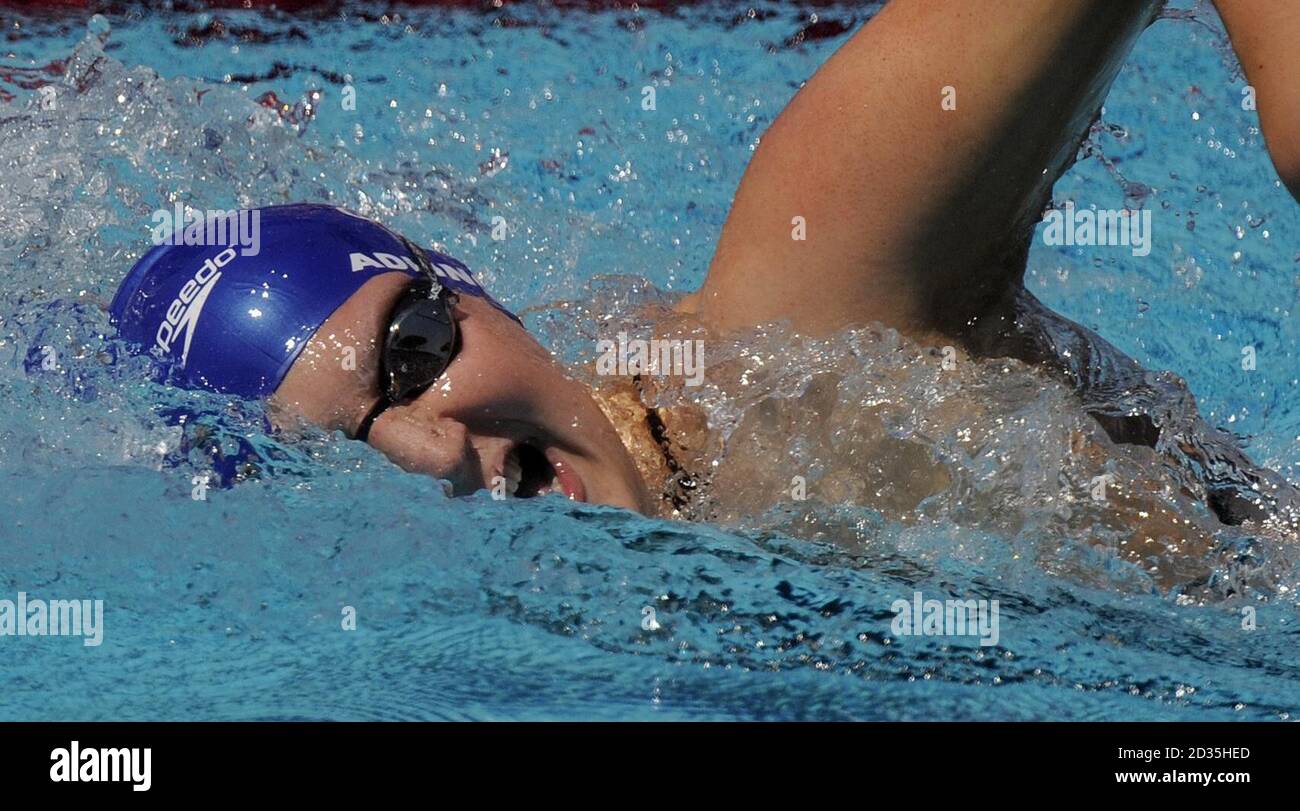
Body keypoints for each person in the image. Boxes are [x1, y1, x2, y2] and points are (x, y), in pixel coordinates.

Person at [111, 0, 1299, 531]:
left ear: (473, 291)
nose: (430, 453)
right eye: (341, 454)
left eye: (413, 356)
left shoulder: (811, 308)